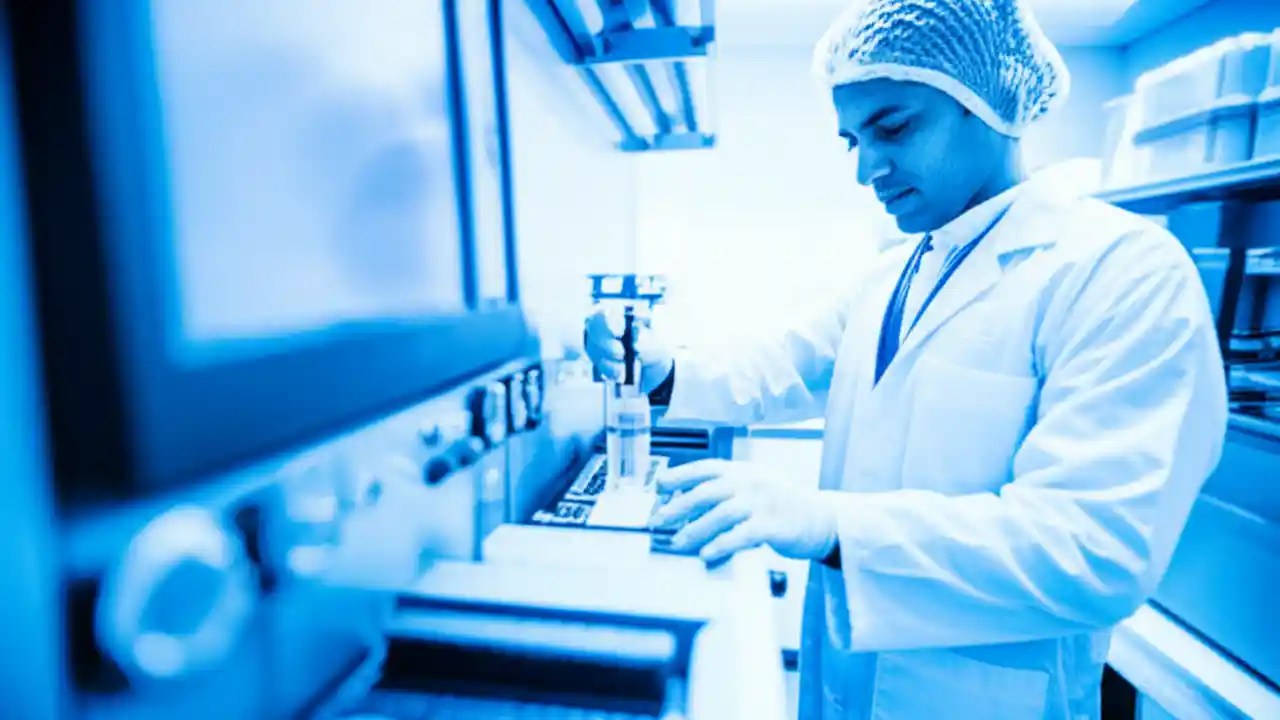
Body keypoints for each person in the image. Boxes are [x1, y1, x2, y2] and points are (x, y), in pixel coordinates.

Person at [583, 0, 1230, 717]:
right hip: (848, 682)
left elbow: (1093, 548)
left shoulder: (1121, 270)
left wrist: (831, 525)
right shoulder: (901, 270)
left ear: (988, 101)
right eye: (852, 140)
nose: (867, 169)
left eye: (893, 128)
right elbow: (789, 365)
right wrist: (662, 369)